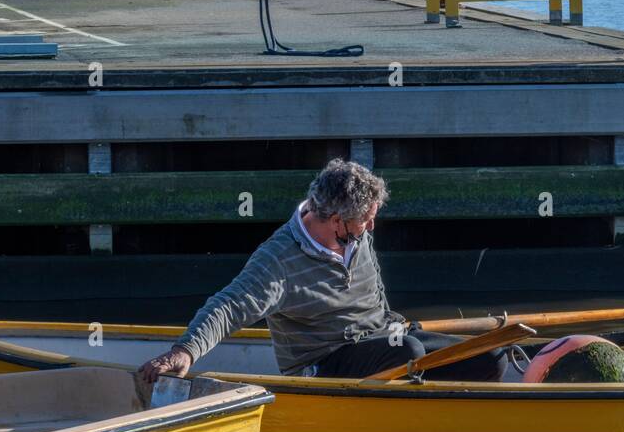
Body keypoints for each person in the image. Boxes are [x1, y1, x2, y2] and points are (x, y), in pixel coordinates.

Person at [138, 158, 507, 385]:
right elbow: (229, 306)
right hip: (322, 363)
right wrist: (184, 351)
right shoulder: (278, 261)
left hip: (383, 339)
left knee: (489, 356)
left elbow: (374, 302)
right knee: (406, 350)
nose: (371, 228)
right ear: (334, 220)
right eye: (366, 220)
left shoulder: (355, 235)